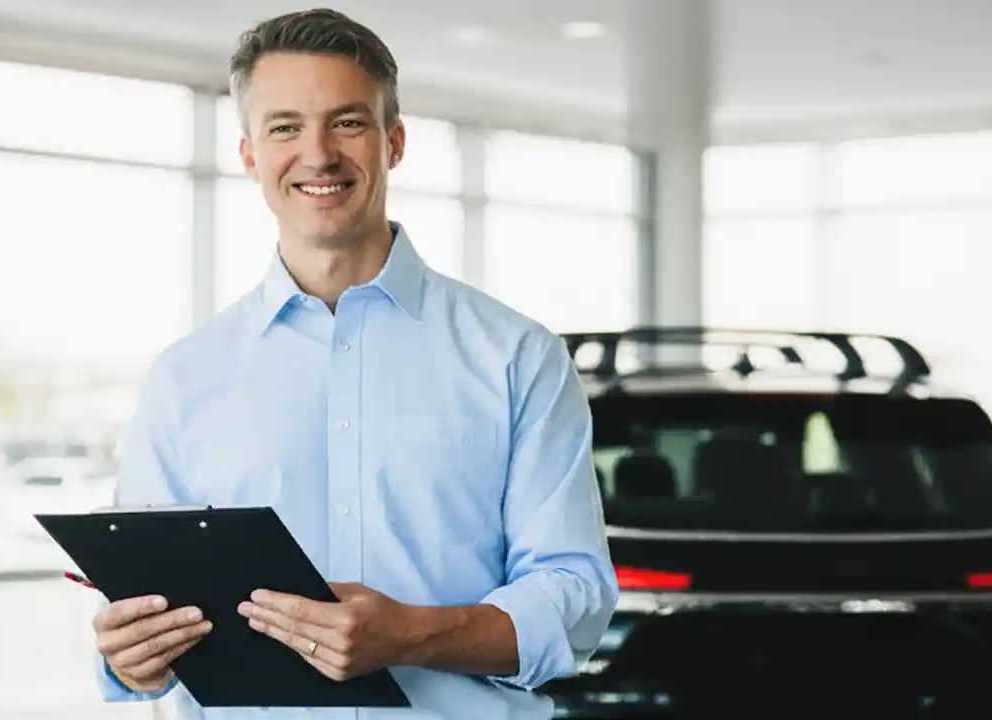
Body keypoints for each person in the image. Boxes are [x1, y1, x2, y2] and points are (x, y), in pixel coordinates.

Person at [88, 7, 618, 719]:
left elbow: (574, 597)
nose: (318, 155)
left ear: (393, 142)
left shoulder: (518, 357)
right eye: (284, 128)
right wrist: (131, 655)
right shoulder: (185, 378)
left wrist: (411, 635)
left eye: (347, 122)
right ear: (249, 155)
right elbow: (144, 604)